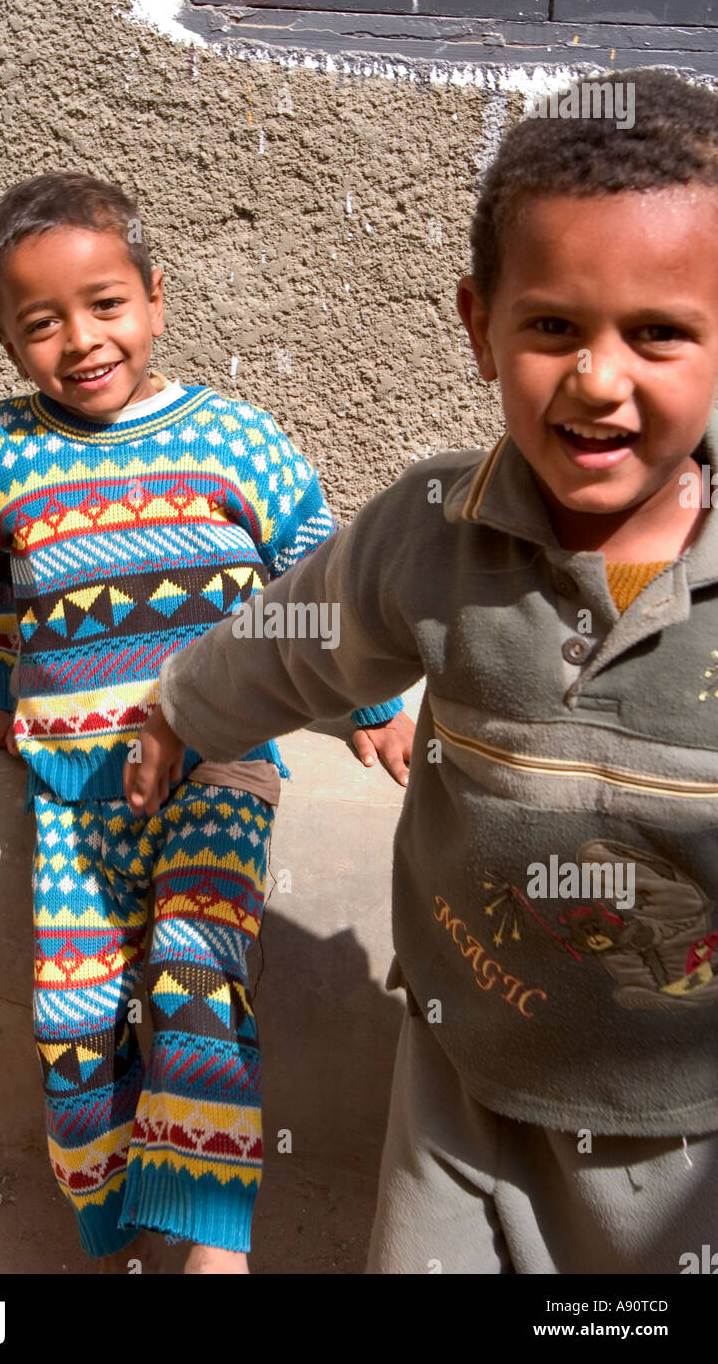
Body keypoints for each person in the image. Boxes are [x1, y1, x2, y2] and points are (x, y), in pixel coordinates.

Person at [127, 69, 718, 1273]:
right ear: (477, 323)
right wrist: (180, 706)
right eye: (553, 325)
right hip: (462, 1083)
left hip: (685, 1137)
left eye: (658, 332)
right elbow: (303, 630)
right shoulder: (437, 524)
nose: (598, 380)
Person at [0, 171, 412, 1273]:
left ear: (156, 298)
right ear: (5, 339)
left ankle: (208, 1247)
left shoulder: (240, 443)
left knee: (195, 972)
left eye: (106, 304)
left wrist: (374, 706)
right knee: (75, 1018)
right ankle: (119, 1224)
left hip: (220, 765)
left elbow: (315, 576)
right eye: (40, 323)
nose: (81, 340)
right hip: (69, 788)